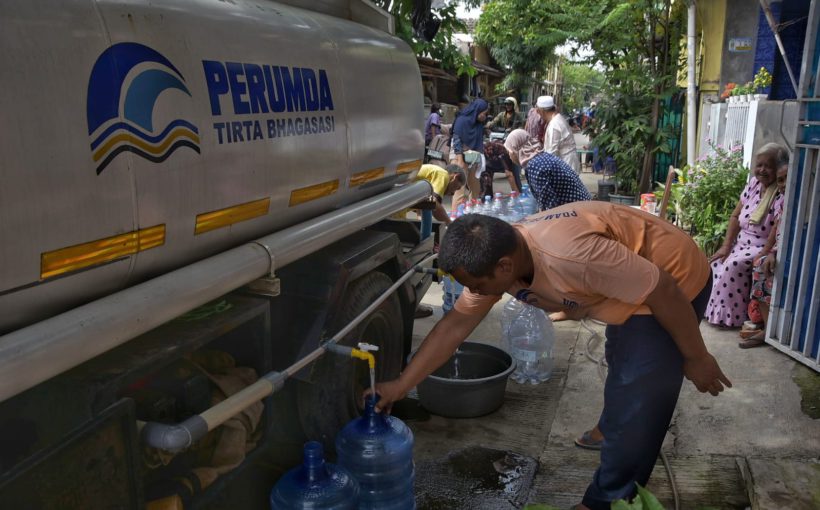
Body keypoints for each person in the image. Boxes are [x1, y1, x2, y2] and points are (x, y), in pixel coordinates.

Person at [370, 204, 731, 509]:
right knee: (622, 359)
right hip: (627, 280)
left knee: (640, 398)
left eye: (475, 286)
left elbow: (663, 290)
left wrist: (696, 356)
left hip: (674, 280)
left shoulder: (574, 257)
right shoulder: (499, 256)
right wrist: (401, 385)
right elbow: (453, 326)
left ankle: (604, 500)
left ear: (504, 268)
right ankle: (614, 425)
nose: (472, 293)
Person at [705, 143, 789, 328]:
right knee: (716, 262)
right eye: (759, 165)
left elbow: (777, 227)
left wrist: (765, 252)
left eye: (768, 166)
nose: (762, 170)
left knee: (733, 265)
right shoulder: (753, 184)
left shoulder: (780, 192)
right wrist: (726, 246)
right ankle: (710, 310)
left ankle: (730, 317)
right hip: (740, 243)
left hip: (759, 246)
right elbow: (735, 216)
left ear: (778, 169)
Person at [740, 160, 789, 348]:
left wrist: (773, 253)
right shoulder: (782, 201)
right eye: (780, 181)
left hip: (794, 253)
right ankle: (768, 329)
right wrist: (767, 252)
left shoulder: (802, 202)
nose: (783, 185)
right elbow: (777, 228)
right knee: (760, 263)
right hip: (778, 251)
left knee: (764, 267)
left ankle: (772, 330)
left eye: (786, 180)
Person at [410, 163, 467, 318]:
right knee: (414, 262)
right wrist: (451, 224)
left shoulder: (429, 174)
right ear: (454, 176)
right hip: (394, 209)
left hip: (393, 207)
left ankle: (412, 303)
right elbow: (434, 205)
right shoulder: (441, 174)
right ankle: (411, 304)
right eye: (455, 188)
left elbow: (424, 208)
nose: (452, 193)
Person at [504, 129, 590, 210]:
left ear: (515, 150)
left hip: (578, 212)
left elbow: (550, 207)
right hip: (583, 205)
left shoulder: (534, 167)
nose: (510, 156)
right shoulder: (541, 157)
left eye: (509, 151)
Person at [450, 98, 489, 206]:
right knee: (459, 188)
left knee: (475, 187)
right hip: (458, 155)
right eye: (483, 113)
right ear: (477, 110)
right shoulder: (462, 120)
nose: (484, 116)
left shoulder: (478, 123)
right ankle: (455, 217)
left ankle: (473, 212)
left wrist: (480, 160)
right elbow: (457, 140)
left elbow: (478, 143)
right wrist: (460, 160)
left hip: (472, 156)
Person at [535, 95, 581, 174]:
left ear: (542, 111)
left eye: (538, 110)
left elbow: (551, 153)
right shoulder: (558, 118)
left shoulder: (554, 125)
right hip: (568, 162)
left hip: (566, 164)